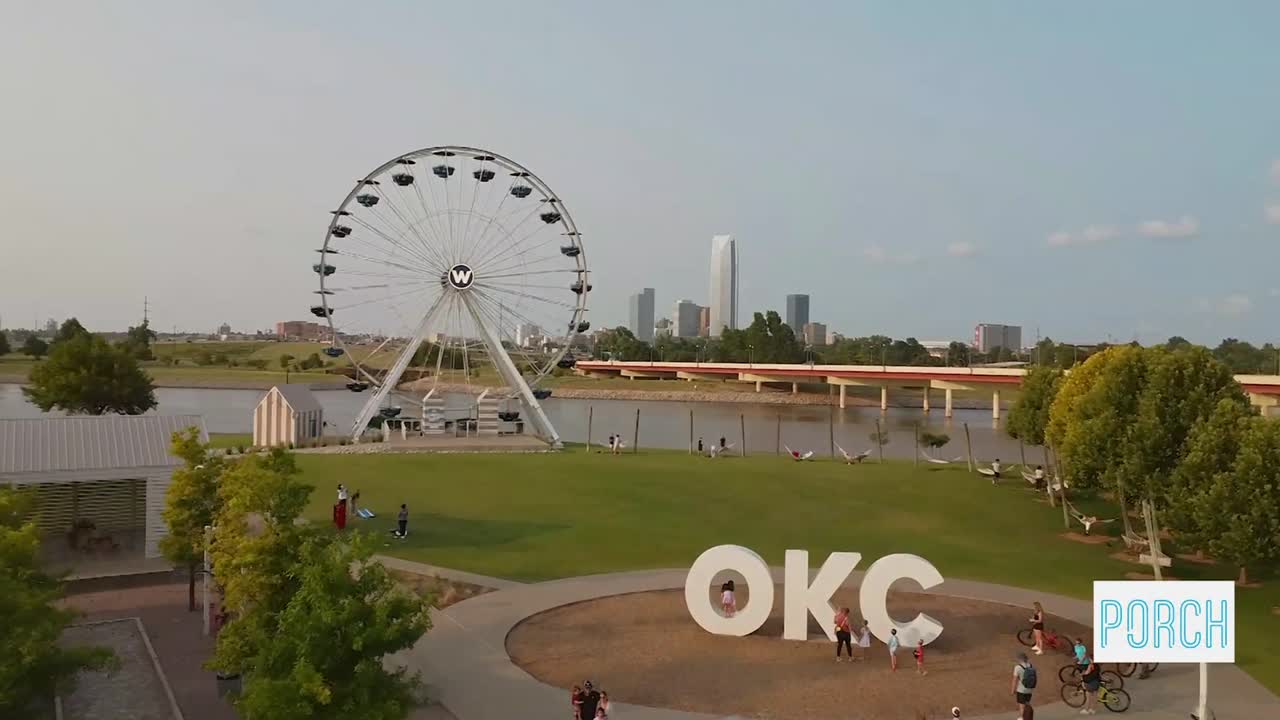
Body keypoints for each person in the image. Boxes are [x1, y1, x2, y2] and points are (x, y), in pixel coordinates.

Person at [1012, 652, 1036, 718]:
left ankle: (1023, 718)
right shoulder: (1031, 665)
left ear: (1019, 659)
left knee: (1022, 706)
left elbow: (1014, 680)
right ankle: (1027, 717)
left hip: (1021, 690)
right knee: (1026, 703)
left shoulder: (1017, 667)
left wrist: (1013, 690)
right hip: (1030, 689)